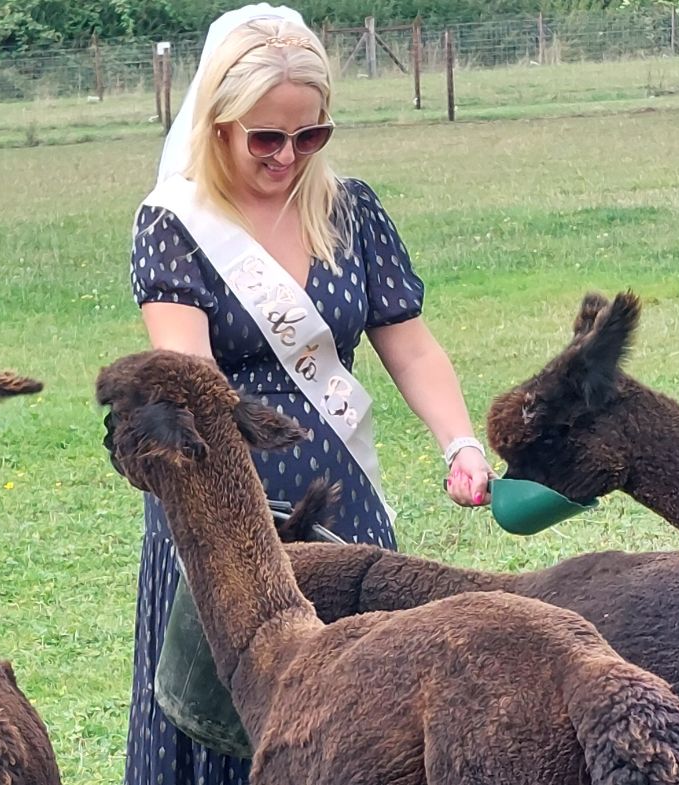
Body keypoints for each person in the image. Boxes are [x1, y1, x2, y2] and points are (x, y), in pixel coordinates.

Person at [125, 5, 492, 783]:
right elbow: (193, 381)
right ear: (218, 121)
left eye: (310, 135)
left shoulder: (349, 210)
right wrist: (241, 524)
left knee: (367, 734)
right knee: (224, 733)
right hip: (226, 520)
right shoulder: (175, 223)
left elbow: (412, 343)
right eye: (266, 137)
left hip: (344, 516)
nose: (288, 155)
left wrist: (459, 441)